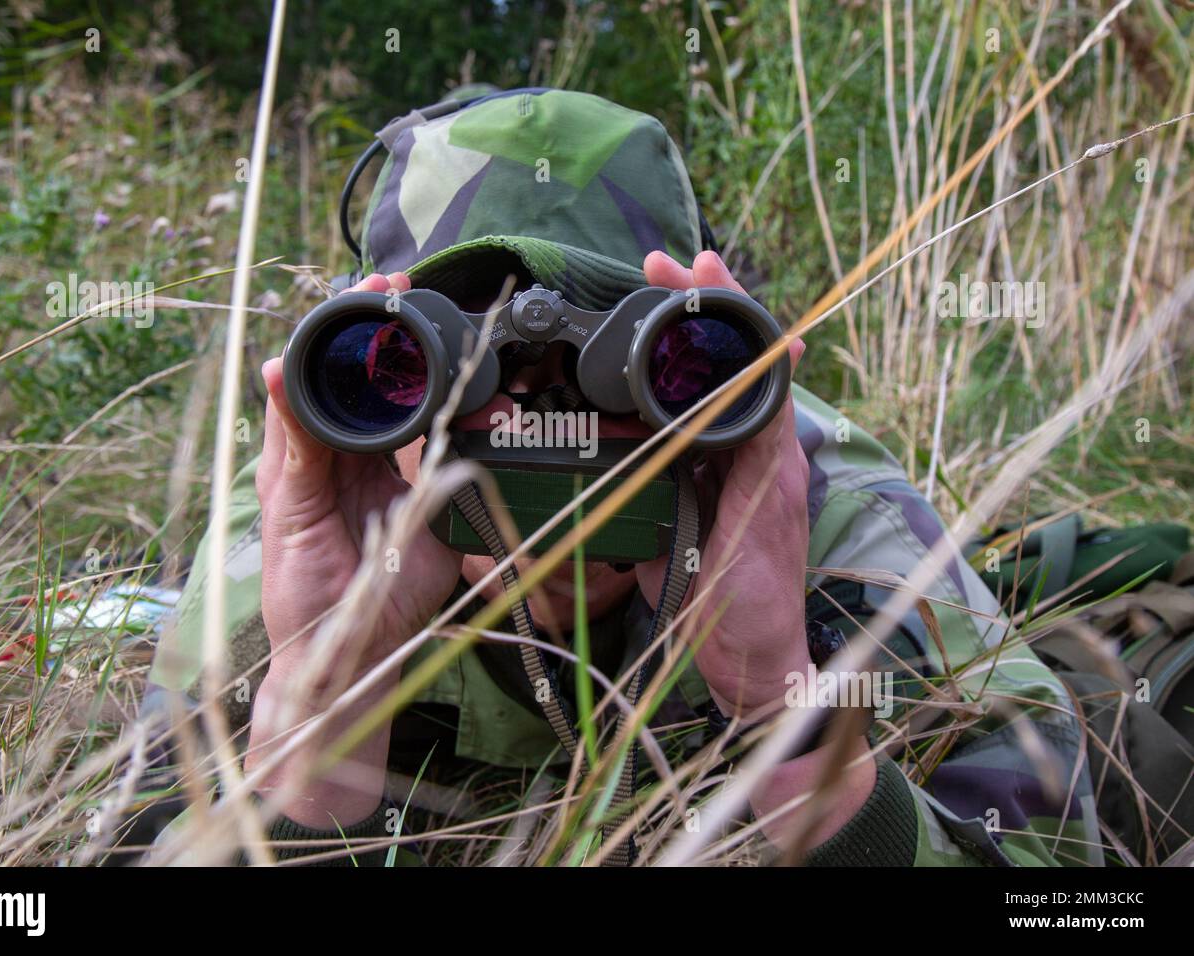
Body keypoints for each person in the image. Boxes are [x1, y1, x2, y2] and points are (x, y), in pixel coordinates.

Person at [142, 87, 1188, 866]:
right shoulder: (307, 524)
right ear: (371, 386)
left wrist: (784, 711)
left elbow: (1063, 880)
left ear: (715, 375)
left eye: (631, 370)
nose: (542, 416)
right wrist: (320, 717)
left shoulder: (824, 515)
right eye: (455, 364)